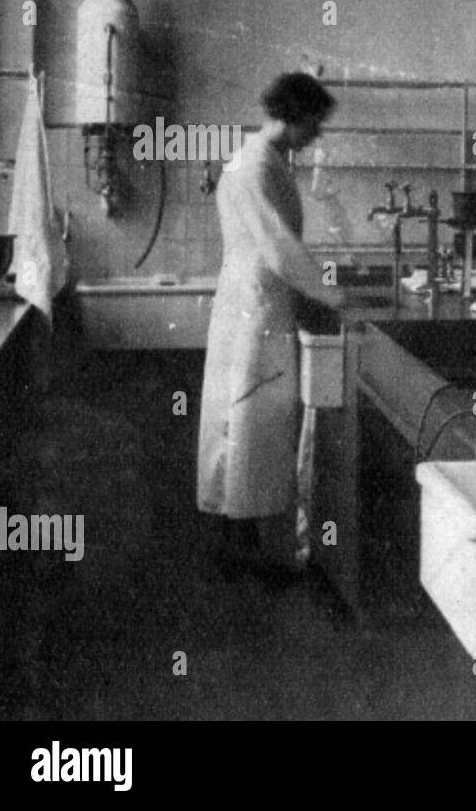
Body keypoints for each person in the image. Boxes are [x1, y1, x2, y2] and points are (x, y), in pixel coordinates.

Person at [197, 72, 345, 581]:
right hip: (253, 306)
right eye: (316, 124)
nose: (317, 135)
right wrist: (331, 293)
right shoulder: (256, 164)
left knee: (248, 426)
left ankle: (242, 544)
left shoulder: (266, 159)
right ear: (296, 115)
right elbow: (278, 246)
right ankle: (242, 550)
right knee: (249, 424)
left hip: (256, 302)